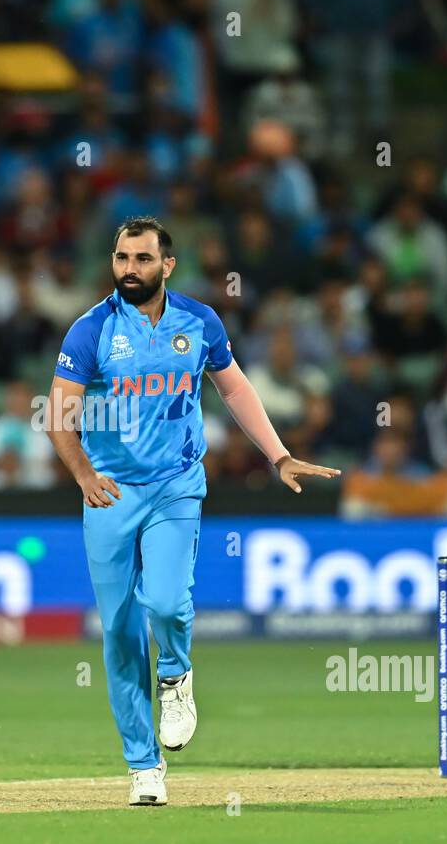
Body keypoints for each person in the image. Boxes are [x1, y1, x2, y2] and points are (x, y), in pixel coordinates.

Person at [46, 217, 341, 805]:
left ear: (167, 265)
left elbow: (233, 389)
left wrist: (278, 455)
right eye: (121, 258)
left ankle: (176, 674)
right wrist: (83, 475)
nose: (130, 269)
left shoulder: (199, 321)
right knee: (120, 631)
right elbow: (59, 415)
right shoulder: (91, 330)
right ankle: (142, 766)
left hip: (176, 484)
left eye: (142, 259)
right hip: (109, 493)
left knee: (165, 601)